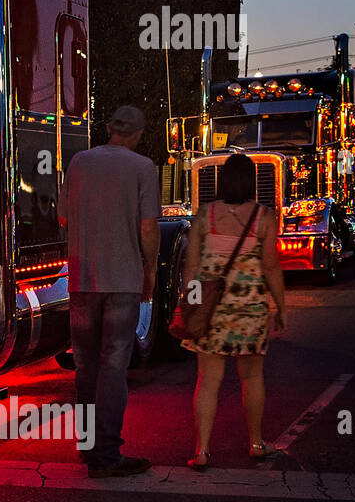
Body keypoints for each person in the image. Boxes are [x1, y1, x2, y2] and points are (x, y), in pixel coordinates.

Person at [59, 105, 160, 477]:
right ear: (138, 133)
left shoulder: (79, 163)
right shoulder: (143, 168)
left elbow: (63, 216)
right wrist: (149, 272)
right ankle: (107, 454)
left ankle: (87, 447)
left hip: (82, 280)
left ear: (108, 129)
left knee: (85, 368)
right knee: (113, 367)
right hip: (122, 280)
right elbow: (149, 228)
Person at [180, 152, 286, 469]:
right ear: (252, 182)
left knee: (208, 379)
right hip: (250, 310)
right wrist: (280, 306)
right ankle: (256, 443)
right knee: (252, 378)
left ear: (222, 181)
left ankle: (201, 450)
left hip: (211, 312)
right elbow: (270, 267)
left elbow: (192, 268)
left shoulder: (205, 216)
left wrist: (191, 304)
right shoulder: (264, 218)